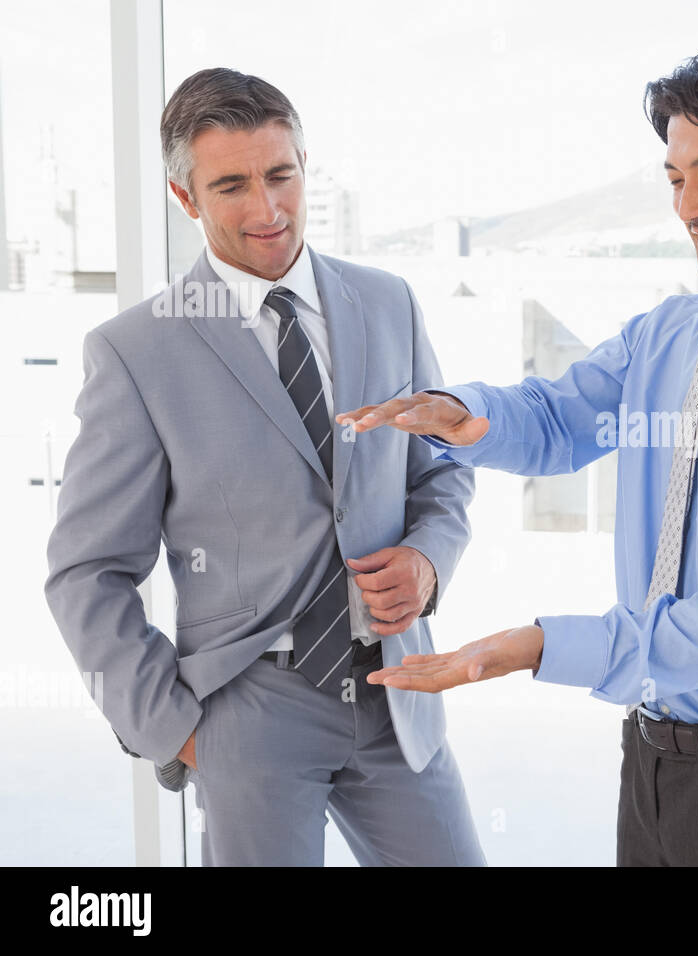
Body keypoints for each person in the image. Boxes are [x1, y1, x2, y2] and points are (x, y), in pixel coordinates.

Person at [338, 38, 698, 867]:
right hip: (651, 757)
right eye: (675, 178)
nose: (689, 205)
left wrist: (540, 647)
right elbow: (558, 418)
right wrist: (459, 413)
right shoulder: (670, 334)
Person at [44, 68, 484, 866]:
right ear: (187, 199)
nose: (267, 209)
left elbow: (441, 471)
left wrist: (427, 561)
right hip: (249, 707)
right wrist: (171, 730)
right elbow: (87, 571)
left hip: (397, 691)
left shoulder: (390, 304)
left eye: (280, 175)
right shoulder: (137, 352)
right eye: (232, 185)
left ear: (305, 164)